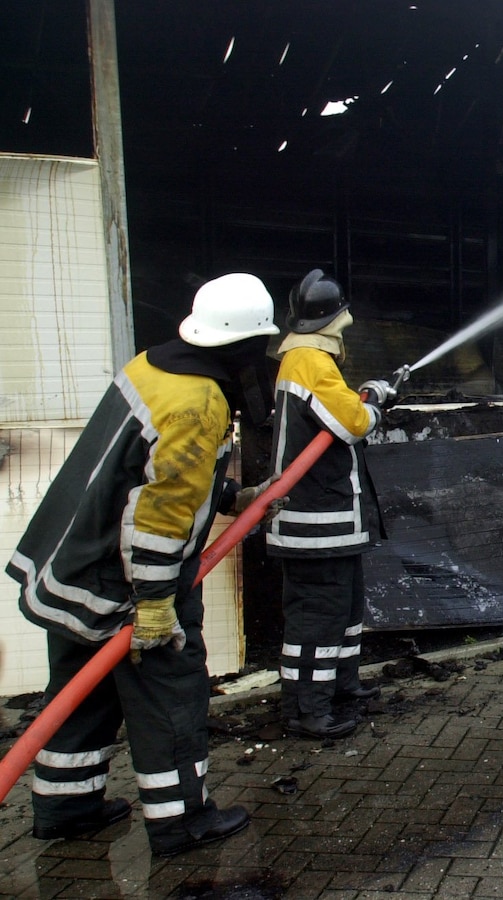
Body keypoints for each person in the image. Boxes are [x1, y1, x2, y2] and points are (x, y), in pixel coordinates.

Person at [6, 273, 280, 856]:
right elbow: (155, 518)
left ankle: (67, 809)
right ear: (247, 344)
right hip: (126, 587)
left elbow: (147, 476)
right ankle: (181, 820)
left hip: (73, 571)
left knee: (79, 696)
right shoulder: (198, 402)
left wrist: (234, 496)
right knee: (170, 697)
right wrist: (156, 607)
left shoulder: (153, 368)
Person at [267, 269, 396, 739]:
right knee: (317, 621)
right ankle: (308, 710)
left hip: (330, 523)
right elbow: (353, 422)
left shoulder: (302, 358)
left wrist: (369, 396)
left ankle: (342, 688)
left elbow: (336, 409)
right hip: (316, 525)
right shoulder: (309, 361)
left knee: (343, 613)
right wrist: (379, 403)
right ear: (333, 318)